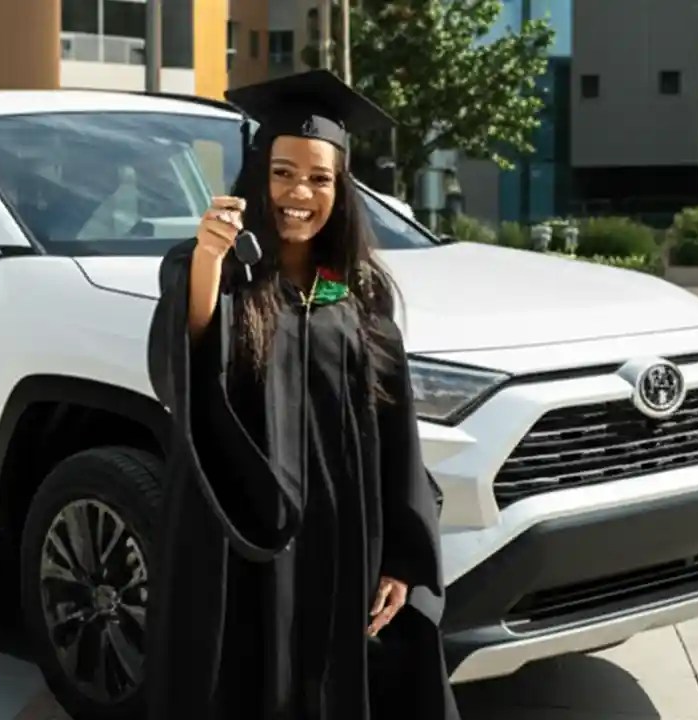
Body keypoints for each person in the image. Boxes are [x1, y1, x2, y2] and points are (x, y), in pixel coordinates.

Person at [144, 69, 460, 719]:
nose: (300, 192)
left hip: (342, 547)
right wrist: (208, 260)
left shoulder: (356, 291)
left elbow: (395, 432)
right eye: (283, 172)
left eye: (320, 178)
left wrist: (401, 555)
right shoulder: (216, 273)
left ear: (341, 191)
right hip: (242, 544)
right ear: (257, 174)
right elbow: (188, 361)